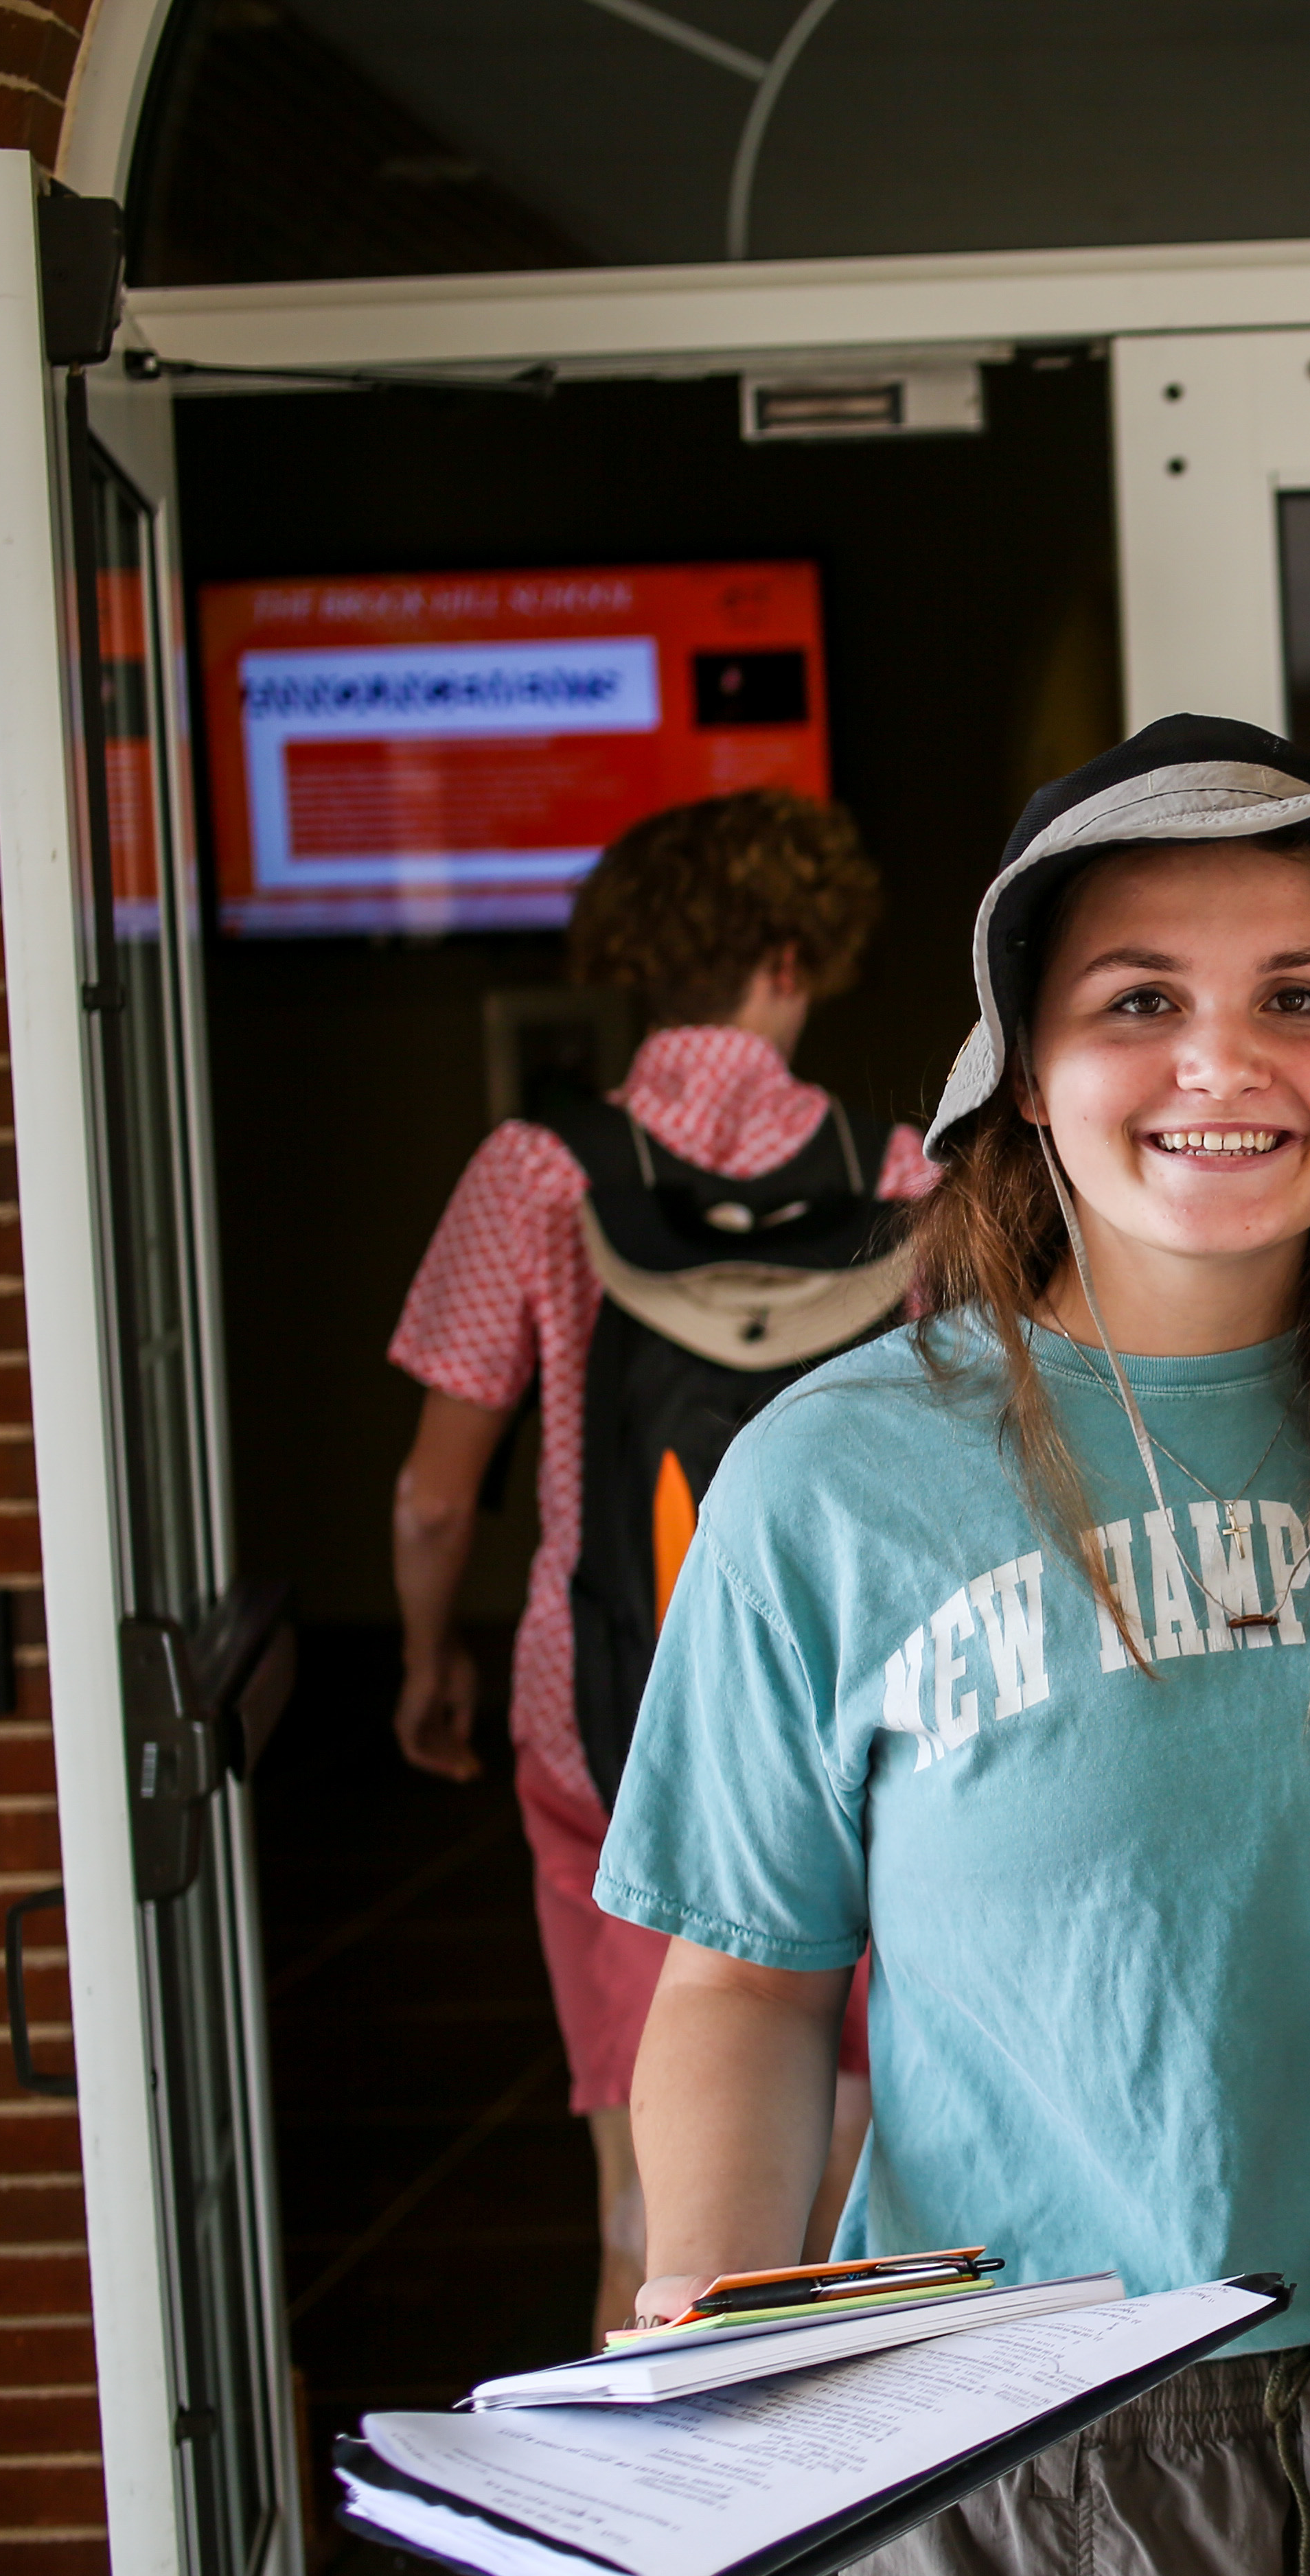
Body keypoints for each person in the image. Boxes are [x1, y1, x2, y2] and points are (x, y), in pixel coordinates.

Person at [593, 719, 1310, 2576]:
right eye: (1138, 997)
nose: (1221, 1061)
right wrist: (728, 2358)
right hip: (1011, 2441)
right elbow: (744, 1978)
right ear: (1024, 1071)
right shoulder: (834, 1476)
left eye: (1299, 996)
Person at [388, 789, 915, 2342]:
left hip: (605, 1725)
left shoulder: (534, 1171)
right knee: (849, 2168)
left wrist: (428, 1662)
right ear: (795, 954)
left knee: (656, 2186)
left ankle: (665, 2506)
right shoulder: (900, 1176)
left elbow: (433, 1499)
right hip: (855, 1722)